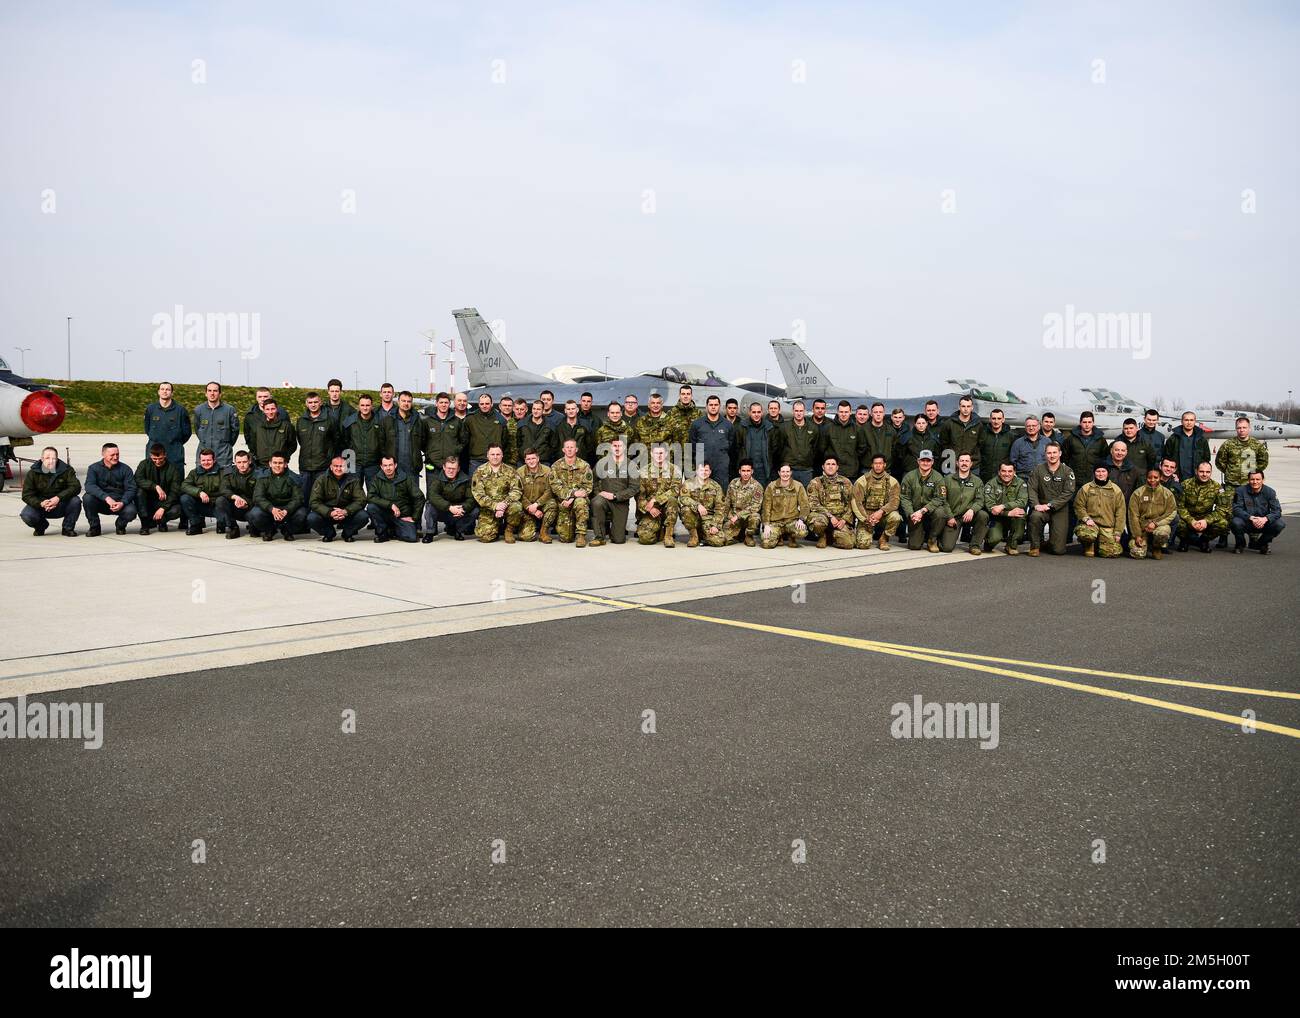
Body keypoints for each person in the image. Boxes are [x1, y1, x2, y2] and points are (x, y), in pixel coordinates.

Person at [20, 445, 82, 536]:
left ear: (57, 459)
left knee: (75, 501)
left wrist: (58, 498)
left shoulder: (67, 470)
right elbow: (26, 495)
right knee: (26, 515)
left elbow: (76, 487)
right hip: (41, 506)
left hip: (61, 504)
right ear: (42, 459)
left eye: (54, 458)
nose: (51, 461)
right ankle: (41, 527)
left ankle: (67, 528)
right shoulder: (32, 473)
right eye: (47, 458)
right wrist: (41, 503)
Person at [1027, 442, 1076, 556]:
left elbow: (1068, 492)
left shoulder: (1067, 471)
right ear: (1045, 454)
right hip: (1041, 507)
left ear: (1060, 453)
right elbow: (1032, 489)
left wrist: (1050, 505)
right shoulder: (1038, 470)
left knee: (1058, 550)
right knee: (1035, 516)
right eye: (1049, 453)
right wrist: (1036, 505)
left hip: (1059, 509)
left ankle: (1050, 543)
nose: (1052, 455)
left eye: (1054, 452)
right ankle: (1035, 545)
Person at [307, 456, 368, 542]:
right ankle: (329, 533)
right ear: (331, 467)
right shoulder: (321, 480)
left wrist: (346, 511)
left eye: (341, 466)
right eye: (336, 466)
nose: (338, 469)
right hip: (328, 514)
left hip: (347, 514)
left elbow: (361, 500)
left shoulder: (354, 480)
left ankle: (347, 533)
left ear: (346, 468)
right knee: (311, 518)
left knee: (363, 516)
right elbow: (314, 502)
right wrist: (330, 512)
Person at [470, 444, 523, 543]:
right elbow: (478, 494)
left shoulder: (510, 470)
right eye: (492, 454)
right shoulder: (479, 471)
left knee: (517, 507)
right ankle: (496, 527)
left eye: (498, 454)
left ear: (502, 455)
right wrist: (495, 506)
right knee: (485, 537)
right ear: (487, 456)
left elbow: (517, 490)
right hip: (489, 508)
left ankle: (509, 530)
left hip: (507, 506)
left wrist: (504, 504)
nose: (495, 457)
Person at [248, 453, 307, 541]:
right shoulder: (263, 477)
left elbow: (298, 498)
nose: (277, 466)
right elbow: (258, 497)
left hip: (287, 509)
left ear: (285, 464)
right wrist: (271, 509)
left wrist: (287, 510)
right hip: (270, 509)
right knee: (254, 514)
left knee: (302, 514)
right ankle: (270, 530)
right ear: (270, 464)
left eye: (280, 463)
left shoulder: (293, 478)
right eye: (275, 463)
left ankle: (287, 530)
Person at [366, 455, 424, 543]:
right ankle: (383, 534)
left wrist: (414, 518)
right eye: (385, 465)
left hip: (402, 515)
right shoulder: (377, 479)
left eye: (390, 465)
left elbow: (419, 497)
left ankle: (394, 531)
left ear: (395, 465)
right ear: (381, 466)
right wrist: (390, 505)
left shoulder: (405, 478)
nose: (388, 468)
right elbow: (370, 497)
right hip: (385, 514)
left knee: (412, 538)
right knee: (371, 507)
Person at [83, 443, 139, 536]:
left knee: (131, 512)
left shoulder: (125, 469)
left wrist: (123, 502)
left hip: (120, 502)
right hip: (102, 502)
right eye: (112, 455)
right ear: (103, 454)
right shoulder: (93, 468)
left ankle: (120, 525)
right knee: (87, 498)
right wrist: (107, 498)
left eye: (117, 454)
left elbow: (131, 489)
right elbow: (89, 486)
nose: (115, 457)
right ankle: (95, 527)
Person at [899, 449, 949, 552]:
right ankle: (919, 535)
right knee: (915, 546)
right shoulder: (909, 476)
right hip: (915, 513)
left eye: (928, 460)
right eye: (923, 460)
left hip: (930, 511)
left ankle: (932, 539)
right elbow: (904, 498)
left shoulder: (938, 477)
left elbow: (940, 498)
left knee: (941, 512)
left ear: (932, 462)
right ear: (918, 461)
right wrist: (911, 514)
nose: (925, 463)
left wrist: (923, 511)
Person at [591, 439, 637, 546]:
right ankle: (599, 537)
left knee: (618, 540)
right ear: (611, 448)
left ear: (624, 448)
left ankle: (615, 531)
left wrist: (616, 496)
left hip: (621, 501)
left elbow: (634, 488)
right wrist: (599, 493)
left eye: (620, 446)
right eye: (614, 446)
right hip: (604, 499)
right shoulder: (602, 463)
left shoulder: (631, 465)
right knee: (596, 502)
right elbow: (593, 480)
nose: (617, 448)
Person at [1176, 461, 1230, 553]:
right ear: (1196, 471)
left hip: (1205, 519)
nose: (1204, 474)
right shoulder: (1185, 484)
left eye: (1207, 472)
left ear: (1211, 472)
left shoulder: (1217, 487)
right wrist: (1191, 520)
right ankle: (1184, 540)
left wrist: (1206, 520)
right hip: (1188, 518)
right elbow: (1180, 506)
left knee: (1223, 523)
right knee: (1176, 520)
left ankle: (1203, 541)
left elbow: (1222, 509)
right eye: (1201, 472)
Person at [295, 391, 338, 506]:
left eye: (315, 402)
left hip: (322, 467)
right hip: (305, 466)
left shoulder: (330, 420)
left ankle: (319, 520)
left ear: (320, 403)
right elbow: (300, 440)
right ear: (306, 403)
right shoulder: (301, 421)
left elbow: (335, 441)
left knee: (321, 496)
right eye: (310, 402)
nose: (313, 405)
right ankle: (305, 521)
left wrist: (328, 457)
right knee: (305, 496)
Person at [1073, 463, 1126, 558]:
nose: (1100, 474)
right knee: (1086, 534)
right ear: (1094, 473)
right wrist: (1086, 519)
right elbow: (1079, 506)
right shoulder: (1086, 488)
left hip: (1107, 527)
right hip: (1090, 525)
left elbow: (1120, 512)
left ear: (1107, 473)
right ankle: (1089, 545)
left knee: (1112, 553)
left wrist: (1118, 532)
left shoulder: (1115, 490)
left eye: (1103, 471)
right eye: (1098, 471)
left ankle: (1100, 544)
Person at [939, 453, 987, 554]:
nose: (964, 463)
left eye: (967, 461)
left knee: (983, 515)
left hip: (969, 515)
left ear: (971, 464)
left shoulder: (977, 481)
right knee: (946, 548)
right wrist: (949, 516)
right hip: (954, 517)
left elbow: (980, 500)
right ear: (957, 463)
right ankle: (940, 537)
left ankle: (975, 545)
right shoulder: (948, 479)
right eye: (961, 461)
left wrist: (972, 510)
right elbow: (943, 500)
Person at [851, 454, 902, 550]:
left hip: (883, 514)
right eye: (875, 463)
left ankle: (884, 539)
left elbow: (894, 502)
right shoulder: (862, 481)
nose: (878, 465)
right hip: (867, 515)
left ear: (885, 465)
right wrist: (866, 519)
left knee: (896, 517)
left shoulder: (892, 481)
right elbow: (856, 502)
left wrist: (881, 512)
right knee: (862, 545)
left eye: (880, 463)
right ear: (872, 465)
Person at [343, 394, 394, 490]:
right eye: (362, 405)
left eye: (367, 405)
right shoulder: (350, 422)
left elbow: (385, 442)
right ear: (358, 406)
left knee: (374, 493)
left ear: (372, 406)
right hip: (354, 464)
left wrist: (382, 460)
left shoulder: (380, 421)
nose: (365, 408)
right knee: (353, 494)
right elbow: (344, 441)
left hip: (373, 465)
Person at [637, 444, 682, 547]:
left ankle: (668, 535)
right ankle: (658, 530)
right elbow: (640, 495)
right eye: (656, 453)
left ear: (666, 454)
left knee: (672, 500)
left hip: (668, 507)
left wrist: (655, 499)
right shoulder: (644, 471)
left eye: (661, 453)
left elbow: (675, 490)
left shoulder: (675, 469)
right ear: (652, 454)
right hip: (652, 509)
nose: (659, 455)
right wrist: (649, 508)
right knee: (645, 538)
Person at [688, 395, 737, 489]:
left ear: (720, 406)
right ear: (706, 406)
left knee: (721, 493)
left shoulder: (728, 425)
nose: (713, 407)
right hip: (703, 468)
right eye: (711, 405)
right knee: (701, 494)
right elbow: (692, 447)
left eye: (716, 404)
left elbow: (732, 447)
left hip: (721, 468)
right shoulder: (697, 424)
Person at [550, 439, 594, 546]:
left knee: (580, 502)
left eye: (572, 447)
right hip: (562, 501)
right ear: (563, 450)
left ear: (576, 449)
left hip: (578, 500)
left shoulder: (584, 466)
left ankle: (581, 535)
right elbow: (555, 487)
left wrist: (572, 498)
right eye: (567, 447)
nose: (569, 449)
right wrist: (571, 495)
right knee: (566, 538)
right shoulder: (556, 466)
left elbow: (587, 487)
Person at [1230, 469, 1284, 554]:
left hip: (1263, 522)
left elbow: (1277, 511)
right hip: (1247, 521)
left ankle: (1262, 544)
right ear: (1248, 480)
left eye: (1258, 479)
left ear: (1263, 480)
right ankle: (1240, 544)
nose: (1255, 482)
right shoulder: (1240, 491)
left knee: (1280, 524)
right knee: (1235, 522)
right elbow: (1236, 509)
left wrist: (1265, 519)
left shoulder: (1270, 492)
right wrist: (1250, 518)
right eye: (1252, 479)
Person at [806, 456, 855, 549]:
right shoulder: (815, 482)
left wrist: (844, 519)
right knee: (818, 523)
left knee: (849, 544)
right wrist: (830, 516)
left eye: (833, 464)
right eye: (828, 464)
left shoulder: (846, 482)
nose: (830, 466)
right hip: (824, 517)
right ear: (823, 467)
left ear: (837, 467)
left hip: (840, 519)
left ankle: (832, 536)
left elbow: (852, 503)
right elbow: (813, 504)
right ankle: (822, 536)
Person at [1128, 468, 1178, 560]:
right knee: (1138, 554)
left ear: (1160, 478)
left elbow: (1171, 512)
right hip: (1143, 528)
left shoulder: (1167, 493)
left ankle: (1156, 548)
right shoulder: (1137, 493)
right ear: (1146, 478)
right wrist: (1137, 535)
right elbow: (1133, 516)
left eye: (1156, 477)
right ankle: (1145, 545)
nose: (1153, 480)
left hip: (1158, 526)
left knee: (1163, 532)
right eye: (1150, 477)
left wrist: (1155, 523)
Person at [135, 443, 184, 534]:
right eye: (154, 459)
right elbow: (138, 479)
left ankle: (162, 521)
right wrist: (155, 486)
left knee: (177, 510)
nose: (157, 461)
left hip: (165, 501)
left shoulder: (173, 468)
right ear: (150, 456)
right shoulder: (144, 464)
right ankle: (145, 525)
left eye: (160, 458)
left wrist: (163, 508)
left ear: (165, 455)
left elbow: (175, 491)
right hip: (149, 501)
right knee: (139, 492)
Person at [426, 456, 478, 541]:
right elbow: (432, 496)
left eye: (454, 468)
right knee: (429, 505)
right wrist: (449, 507)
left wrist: (463, 507)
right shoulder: (437, 479)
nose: (451, 471)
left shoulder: (466, 480)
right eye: (448, 468)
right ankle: (430, 533)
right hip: (443, 510)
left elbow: (471, 499)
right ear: (444, 467)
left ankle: (458, 531)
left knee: (475, 510)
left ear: (458, 469)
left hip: (459, 511)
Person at [143, 381, 191, 472]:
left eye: (168, 389)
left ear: (172, 393)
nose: (165, 391)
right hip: (154, 451)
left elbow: (186, 433)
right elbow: (147, 429)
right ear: (158, 392)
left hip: (174, 453)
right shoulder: (151, 409)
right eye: (162, 389)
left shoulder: (181, 410)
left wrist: (175, 442)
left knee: (175, 482)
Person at [770, 400, 818, 488]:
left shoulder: (813, 428)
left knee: (805, 497)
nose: (798, 413)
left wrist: (808, 459)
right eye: (796, 411)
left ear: (804, 411)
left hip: (806, 470)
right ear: (793, 411)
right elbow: (779, 447)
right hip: (789, 469)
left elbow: (815, 448)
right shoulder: (784, 427)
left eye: (801, 411)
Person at [679, 460, 727, 547]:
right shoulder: (688, 483)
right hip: (694, 515)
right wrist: (697, 505)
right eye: (701, 470)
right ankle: (694, 536)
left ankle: (703, 534)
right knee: (686, 509)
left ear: (710, 472)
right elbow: (683, 498)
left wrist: (715, 525)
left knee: (718, 542)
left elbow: (720, 508)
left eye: (706, 470)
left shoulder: (716, 487)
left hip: (708, 518)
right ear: (697, 471)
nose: (704, 472)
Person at [760, 464, 809, 549]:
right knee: (766, 543)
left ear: (791, 473)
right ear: (779, 473)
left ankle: (792, 537)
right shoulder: (771, 487)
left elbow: (805, 505)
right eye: (783, 471)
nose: (785, 474)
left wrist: (801, 520)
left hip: (791, 521)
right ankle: (779, 537)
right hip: (775, 522)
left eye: (787, 471)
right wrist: (767, 524)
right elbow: (766, 507)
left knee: (802, 532)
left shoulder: (798, 486)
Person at [982, 461, 1027, 554]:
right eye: (1003, 471)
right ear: (999, 472)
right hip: (996, 518)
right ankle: (988, 542)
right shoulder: (991, 484)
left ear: (1014, 472)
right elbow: (991, 507)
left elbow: (1022, 502)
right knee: (994, 539)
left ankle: (1011, 545)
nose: (1007, 474)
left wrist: (1003, 506)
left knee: (1021, 515)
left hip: (1013, 517)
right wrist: (1007, 513)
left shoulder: (1021, 484)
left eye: (1010, 471)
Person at [191, 381, 239, 468]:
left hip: (223, 456)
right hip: (204, 455)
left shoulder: (229, 410)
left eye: (215, 391)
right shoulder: (199, 410)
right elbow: (197, 428)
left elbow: (235, 431)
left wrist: (226, 445)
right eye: (209, 391)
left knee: (224, 480)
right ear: (206, 393)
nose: (212, 393)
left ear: (220, 394)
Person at [515, 448, 557, 543]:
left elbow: (549, 491)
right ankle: (526, 525)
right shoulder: (519, 472)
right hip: (526, 508)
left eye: (533, 458)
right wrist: (530, 508)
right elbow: (518, 492)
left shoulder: (547, 471)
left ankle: (543, 532)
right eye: (528, 459)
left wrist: (536, 504)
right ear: (525, 460)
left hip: (541, 505)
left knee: (552, 504)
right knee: (526, 537)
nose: (531, 461)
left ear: (538, 458)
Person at [1216, 416, 1269, 489]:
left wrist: (1254, 473)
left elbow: (1263, 461)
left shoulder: (1257, 445)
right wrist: (1230, 472)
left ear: (1249, 428)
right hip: (1231, 484)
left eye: (1244, 427)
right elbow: (1219, 461)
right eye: (1239, 428)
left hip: (1250, 484)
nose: (1241, 430)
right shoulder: (1227, 444)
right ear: (1236, 429)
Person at [180, 448, 225, 535]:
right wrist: (199, 492)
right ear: (200, 461)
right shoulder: (194, 473)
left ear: (214, 460)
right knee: (185, 498)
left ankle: (221, 523)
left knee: (222, 500)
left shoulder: (222, 472)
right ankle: (196, 525)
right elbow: (184, 485)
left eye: (209, 460)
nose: (206, 462)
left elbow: (226, 489)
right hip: (202, 504)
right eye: (203, 460)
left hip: (217, 505)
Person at [938, 395, 984, 476]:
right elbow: (944, 443)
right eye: (963, 406)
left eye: (968, 406)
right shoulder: (948, 424)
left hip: (972, 465)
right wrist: (952, 458)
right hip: (952, 465)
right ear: (959, 407)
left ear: (972, 407)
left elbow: (980, 444)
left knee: (971, 488)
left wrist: (971, 459)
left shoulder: (978, 425)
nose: (966, 409)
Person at [216, 450, 257, 539]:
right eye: (239, 462)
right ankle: (233, 527)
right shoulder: (229, 472)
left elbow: (260, 495)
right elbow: (223, 489)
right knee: (221, 500)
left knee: (255, 533)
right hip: (236, 506)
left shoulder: (258, 473)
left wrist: (246, 504)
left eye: (244, 462)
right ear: (235, 462)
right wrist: (235, 497)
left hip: (251, 507)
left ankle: (254, 526)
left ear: (249, 461)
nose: (242, 465)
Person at [247, 397, 297, 470]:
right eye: (267, 409)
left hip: (279, 465)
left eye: (273, 409)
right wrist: (256, 457)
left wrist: (285, 457)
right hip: (261, 466)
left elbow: (292, 445)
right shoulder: (257, 427)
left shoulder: (287, 426)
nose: (270, 412)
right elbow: (252, 445)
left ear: (277, 409)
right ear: (263, 410)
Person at [1163, 411, 1211, 481]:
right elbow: (1166, 457)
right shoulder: (1173, 439)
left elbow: (1206, 459)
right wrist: (1172, 473)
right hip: (1177, 478)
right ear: (1182, 421)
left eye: (1191, 420)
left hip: (1196, 479)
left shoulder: (1201, 440)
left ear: (1195, 421)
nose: (1189, 422)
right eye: (1186, 420)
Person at [725, 460, 764, 546]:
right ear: (739, 471)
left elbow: (755, 507)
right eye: (743, 471)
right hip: (733, 519)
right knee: (722, 540)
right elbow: (727, 503)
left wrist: (738, 516)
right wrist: (723, 520)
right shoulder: (733, 483)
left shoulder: (757, 486)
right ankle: (738, 535)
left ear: (752, 471)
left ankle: (748, 536)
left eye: (748, 471)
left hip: (747, 519)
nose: (745, 474)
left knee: (755, 517)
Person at [823, 401, 865, 480]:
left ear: (850, 412)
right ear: (837, 412)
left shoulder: (857, 429)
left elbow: (862, 448)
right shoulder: (828, 428)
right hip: (833, 472)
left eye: (846, 412)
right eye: (841, 412)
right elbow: (822, 448)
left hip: (851, 472)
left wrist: (852, 457)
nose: (843, 414)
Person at [737, 401, 776, 487]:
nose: (756, 414)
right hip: (748, 470)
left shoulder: (769, 427)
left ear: (762, 412)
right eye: (754, 412)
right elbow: (738, 447)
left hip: (764, 470)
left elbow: (774, 448)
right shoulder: (742, 427)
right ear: (749, 413)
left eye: (758, 412)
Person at [1063, 412, 1110, 481]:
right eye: (1084, 422)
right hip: (1074, 478)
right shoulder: (1071, 439)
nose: (1087, 425)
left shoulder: (1101, 440)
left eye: (1089, 422)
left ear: (1093, 423)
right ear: (1080, 423)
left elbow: (1105, 459)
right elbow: (1064, 457)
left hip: (1093, 478)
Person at [554, 399, 596, 466]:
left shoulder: (584, 426)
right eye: (568, 409)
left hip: (581, 463)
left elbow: (590, 446)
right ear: (565, 410)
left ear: (577, 410)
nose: (571, 411)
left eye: (573, 409)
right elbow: (555, 446)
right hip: (563, 463)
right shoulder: (559, 426)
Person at [978, 408, 1015, 482]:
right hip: (985, 475)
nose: (996, 421)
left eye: (999, 418)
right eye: (994, 418)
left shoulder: (1010, 436)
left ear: (1003, 420)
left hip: (1003, 476)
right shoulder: (983, 434)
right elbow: (978, 452)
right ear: (990, 419)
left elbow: (1013, 456)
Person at [517, 400, 557, 467]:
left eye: (538, 409)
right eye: (534, 408)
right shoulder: (522, 424)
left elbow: (554, 445)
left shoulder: (550, 426)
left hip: (543, 462)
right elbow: (518, 443)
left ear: (543, 410)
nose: (535, 411)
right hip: (524, 462)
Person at [323, 379, 355, 457]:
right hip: (326, 452)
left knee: (349, 469)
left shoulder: (349, 410)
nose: (334, 394)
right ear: (328, 392)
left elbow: (355, 431)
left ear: (340, 391)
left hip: (345, 450)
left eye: (337, 391)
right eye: (332, 391)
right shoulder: (322, 409)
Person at [1009, 415, 1047, 480]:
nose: (1031, 428)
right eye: (1028, 426)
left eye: (1034, 426)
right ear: (1025, 427)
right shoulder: (1018, 443)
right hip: (1023, 478)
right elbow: (1012, 462)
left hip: (1043, 478)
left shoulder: (1047, 441)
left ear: (1039, 427)